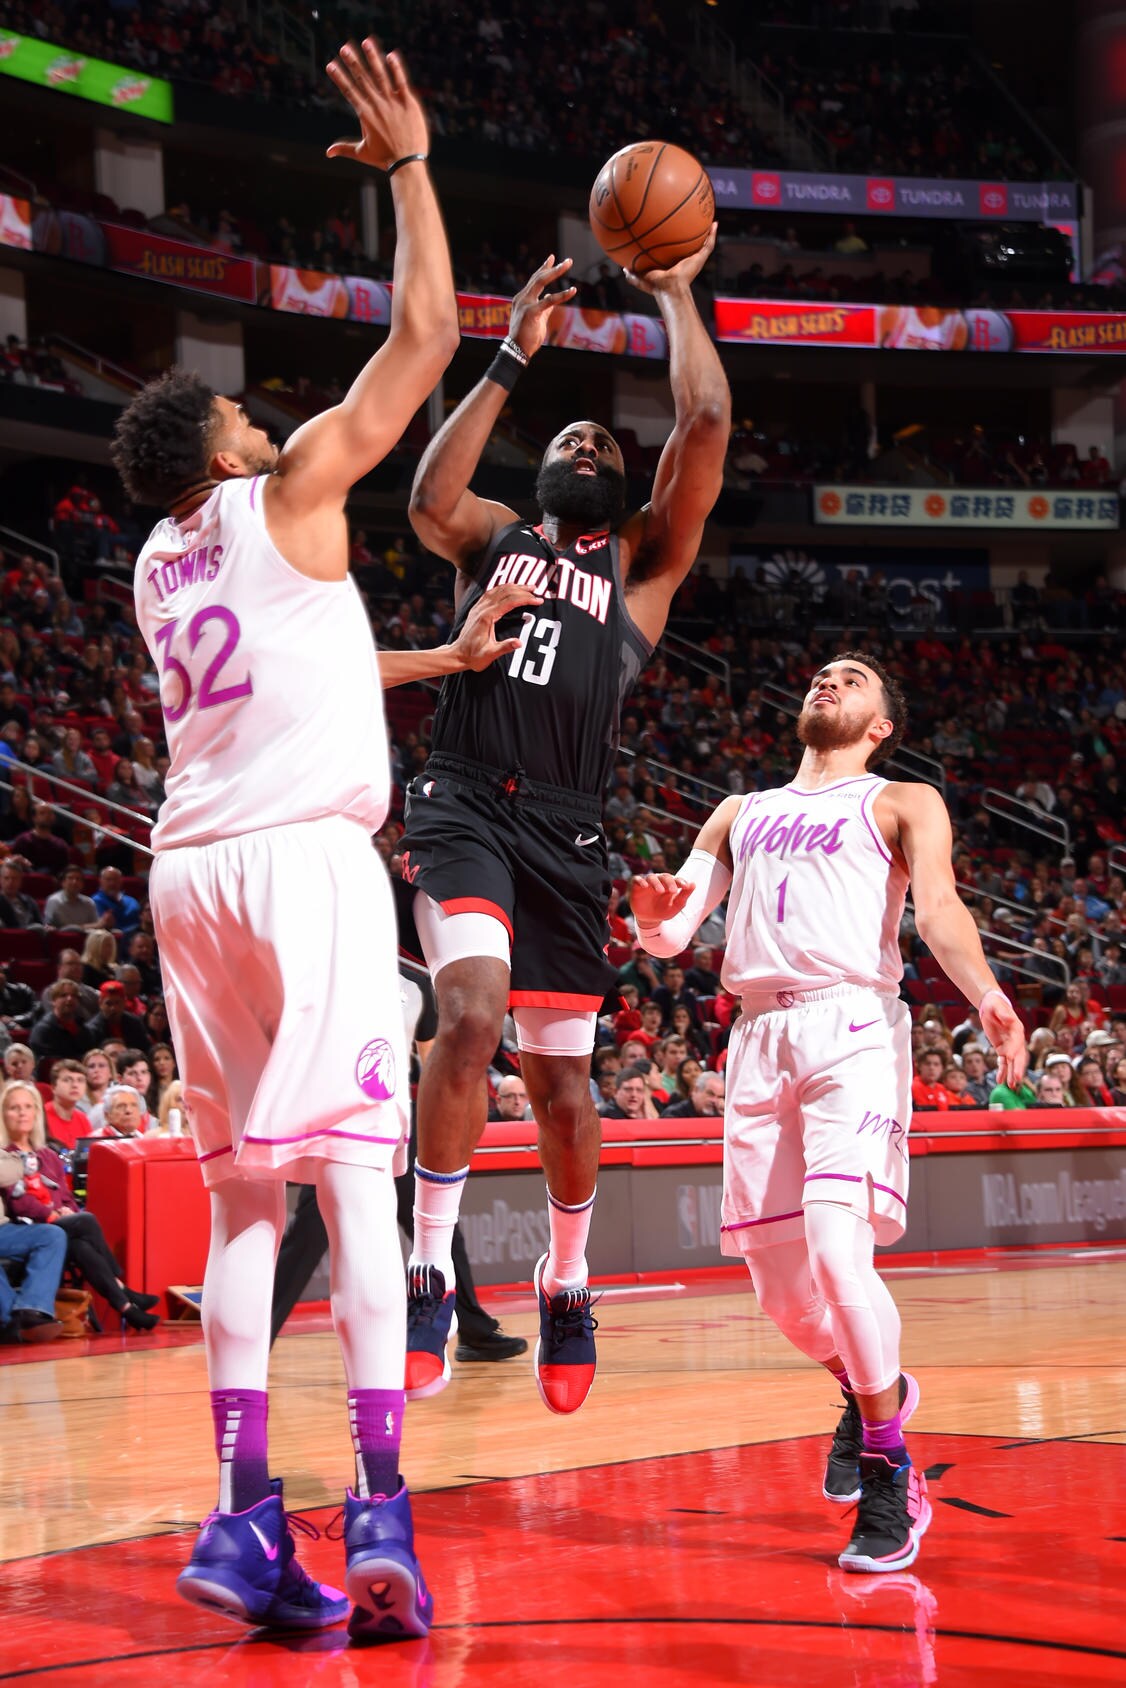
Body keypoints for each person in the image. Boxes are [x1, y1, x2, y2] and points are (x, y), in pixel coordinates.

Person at [111, 36, 530, 1644]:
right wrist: (414, 165)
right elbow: (423, 333)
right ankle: (377, 1508)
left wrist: (436, 662)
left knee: (240, 1203)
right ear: (225, 452)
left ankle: (235, 1522)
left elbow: (312, 668)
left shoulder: (162, 568)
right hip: (302, 870)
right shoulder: (287, 488)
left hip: (189, 875)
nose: (259, 413)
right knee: (355, 1188)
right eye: (238, 409)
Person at [399, 228, 730, 1415]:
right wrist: (507, 357)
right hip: (465, 798)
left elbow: (701, 430)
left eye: (603, 441)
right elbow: (429, 494)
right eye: (569, 438)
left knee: (563, 1094)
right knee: (470, 1013)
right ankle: (426, 1262)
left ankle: (568, 1280)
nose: (585, 445)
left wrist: (677, 293)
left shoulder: (641, 563)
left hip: (572, 833)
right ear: (543, 471)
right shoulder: (496, 537)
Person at [631, 651, 1025, 1575]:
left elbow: (938, 909)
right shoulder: (740, 811)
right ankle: (874, 1387)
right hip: (758, 1039)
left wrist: (988, 993)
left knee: (837, 1251)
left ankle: (894, 1471)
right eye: (821, 675)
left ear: (882, 724)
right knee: (778, 1292)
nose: (827, 681)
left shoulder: (903, 800)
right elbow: (675, 934)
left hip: (852, 1022)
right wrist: (650, 919)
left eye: (851, 679)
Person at [0, 1080, 159, 1329]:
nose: (22, 1113)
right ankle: (122, 1288)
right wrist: (53, 1213)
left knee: (80, 1244)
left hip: (61, 1225)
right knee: (85, 1221)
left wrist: (67, 1210)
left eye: (28, 1107)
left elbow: (66, 1196)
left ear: (36, 1113)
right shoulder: (5, 1155)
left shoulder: (48, 1154)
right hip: (30, 1226)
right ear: (4, 1115)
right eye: (14, 1108)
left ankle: (126, 1307)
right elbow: (18, 1204)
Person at [0, 1153, 66, 1345]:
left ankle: (30, 1310)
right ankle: (12, 1322)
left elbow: (10, 1170)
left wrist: (17, 1165)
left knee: (52, 1235)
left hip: (3, 1229)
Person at [44, 867, 101, 932]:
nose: (74, 882)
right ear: (63, 882)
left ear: (82, 884)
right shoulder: (53, 901)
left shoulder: (89, 902)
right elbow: (47, 926)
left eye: (78, 879)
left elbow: (97, 926)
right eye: (70, 878)